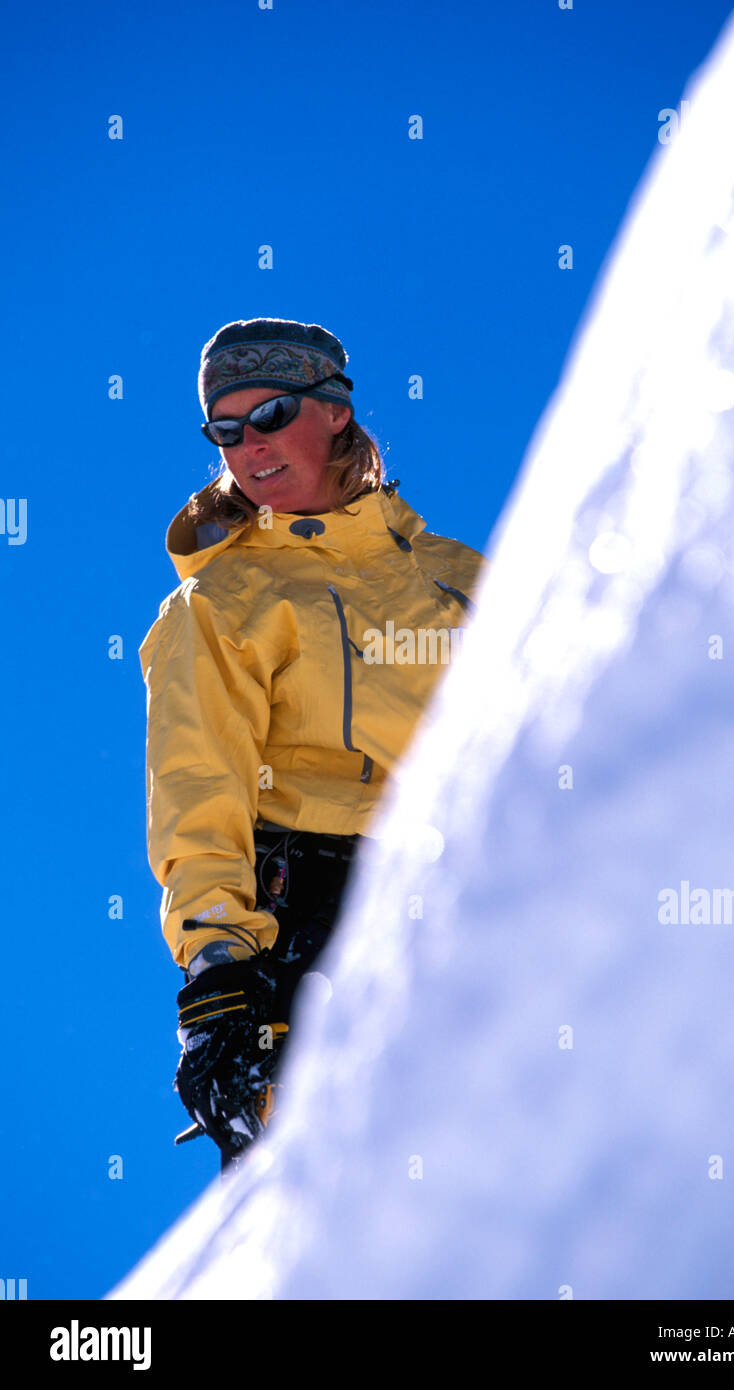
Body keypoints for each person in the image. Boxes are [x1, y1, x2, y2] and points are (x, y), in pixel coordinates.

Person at [138, 317, 487, 1173]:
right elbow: (198, 782)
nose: (246, 445)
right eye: (224, 429)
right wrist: (219, 973)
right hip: (308, 915)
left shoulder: (461, 582)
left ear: (335, 410)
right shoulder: (222, 601)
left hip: (468, 892)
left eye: (269, 414)